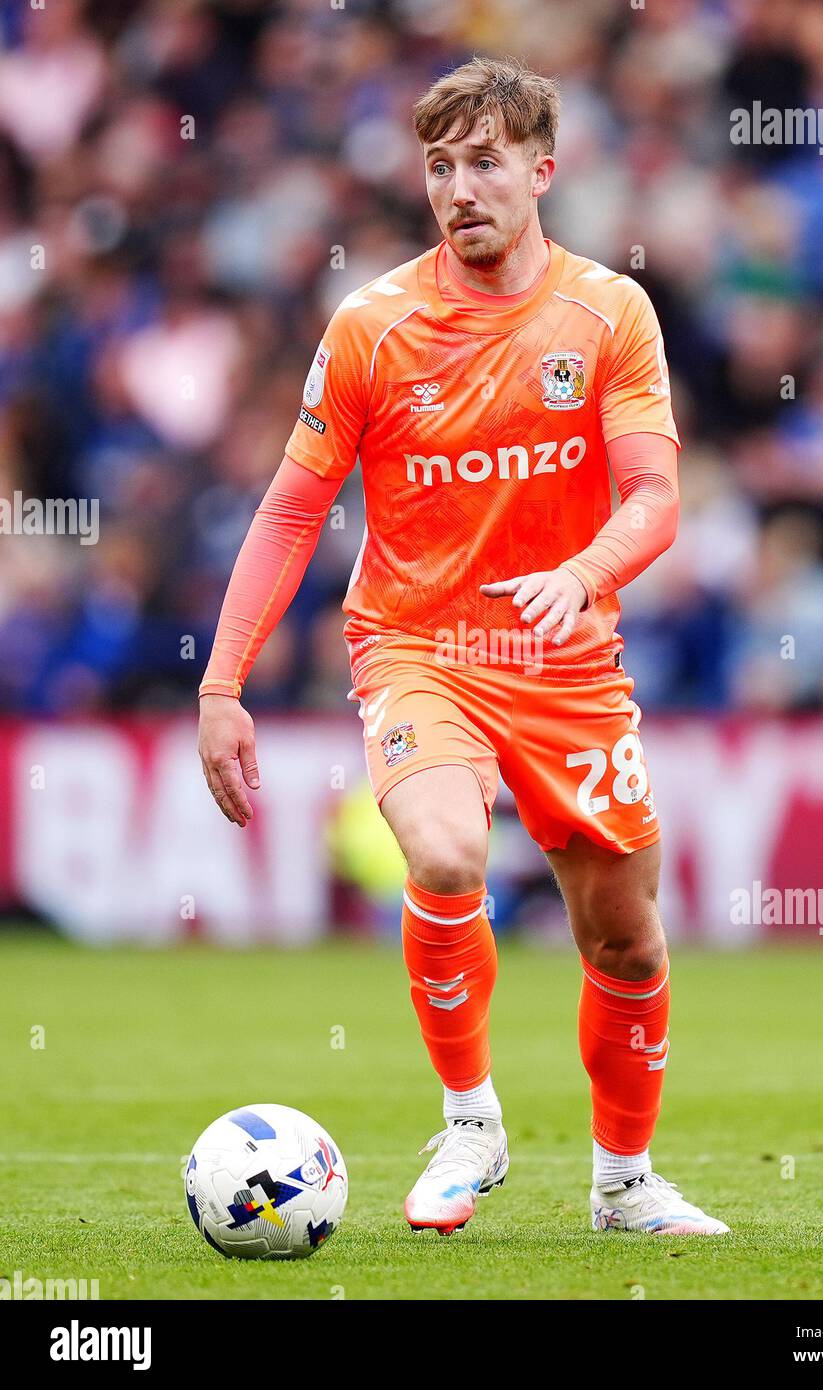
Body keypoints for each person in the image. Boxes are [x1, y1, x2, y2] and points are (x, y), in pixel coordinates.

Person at [198, 57, 729, 1238]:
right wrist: (223, 680)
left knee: (627, 939)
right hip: (418, 643)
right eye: (439, 165)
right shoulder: (372, 326)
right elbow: (293, 511)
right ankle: (471, 1122)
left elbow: (655, 499)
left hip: (566, 661)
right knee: (443, 854)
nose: (459, 187)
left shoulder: (608, 313)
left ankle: (623, 1184)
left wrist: (583, 574)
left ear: (544, 168)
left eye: (485, 160)